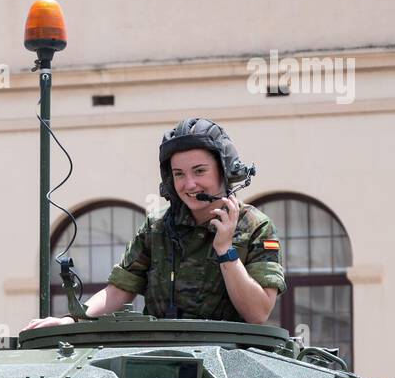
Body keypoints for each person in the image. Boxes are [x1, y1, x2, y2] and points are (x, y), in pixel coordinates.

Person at [23, 118, 285, 330]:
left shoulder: (255, 227)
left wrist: (225, 249)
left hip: (232, 363)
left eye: (199, 171)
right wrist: (71, 320)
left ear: (225, 171)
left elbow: (257, 313)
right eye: (179, 174)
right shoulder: (158, 227)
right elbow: (118, 291)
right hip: (161, 361)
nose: (189, 184)